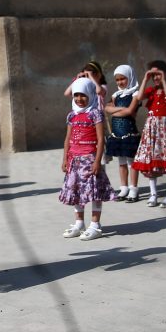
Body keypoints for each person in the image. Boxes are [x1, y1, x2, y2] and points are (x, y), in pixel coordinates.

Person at [59, 78, 116, 240]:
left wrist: (98, 161)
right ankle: (79, 223)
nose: (79, 99)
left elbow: (100, 139)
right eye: (76, 95)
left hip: (90, 159)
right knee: (76, 190)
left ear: (90, 94)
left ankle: (95, 225)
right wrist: (65, 159)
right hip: (74, 160)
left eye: (83, 95)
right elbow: (67, 139)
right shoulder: (72, 116)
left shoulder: (95, 114)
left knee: (94, 192)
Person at [131, 59, 166, 207]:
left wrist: (164, 79)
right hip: (152, 129)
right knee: (152, 160)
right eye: (154, 75)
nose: (156, 78)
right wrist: (145, 78)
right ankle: (153, 193)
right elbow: (138, 97)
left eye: (158, 74)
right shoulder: (150, 91)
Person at [104, 64, 142, 201]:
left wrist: (115, 112)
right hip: (116, 134)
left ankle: (133, 189)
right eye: (117, 80)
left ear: (130, 77)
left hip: (129, 133)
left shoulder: (135, 94)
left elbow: (130, 111)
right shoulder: (116, 95)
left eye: (123, 79)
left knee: (132, 162)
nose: (120, 82)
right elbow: (107, 108)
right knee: (121, 162)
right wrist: (120, 110)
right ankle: (123, 188)